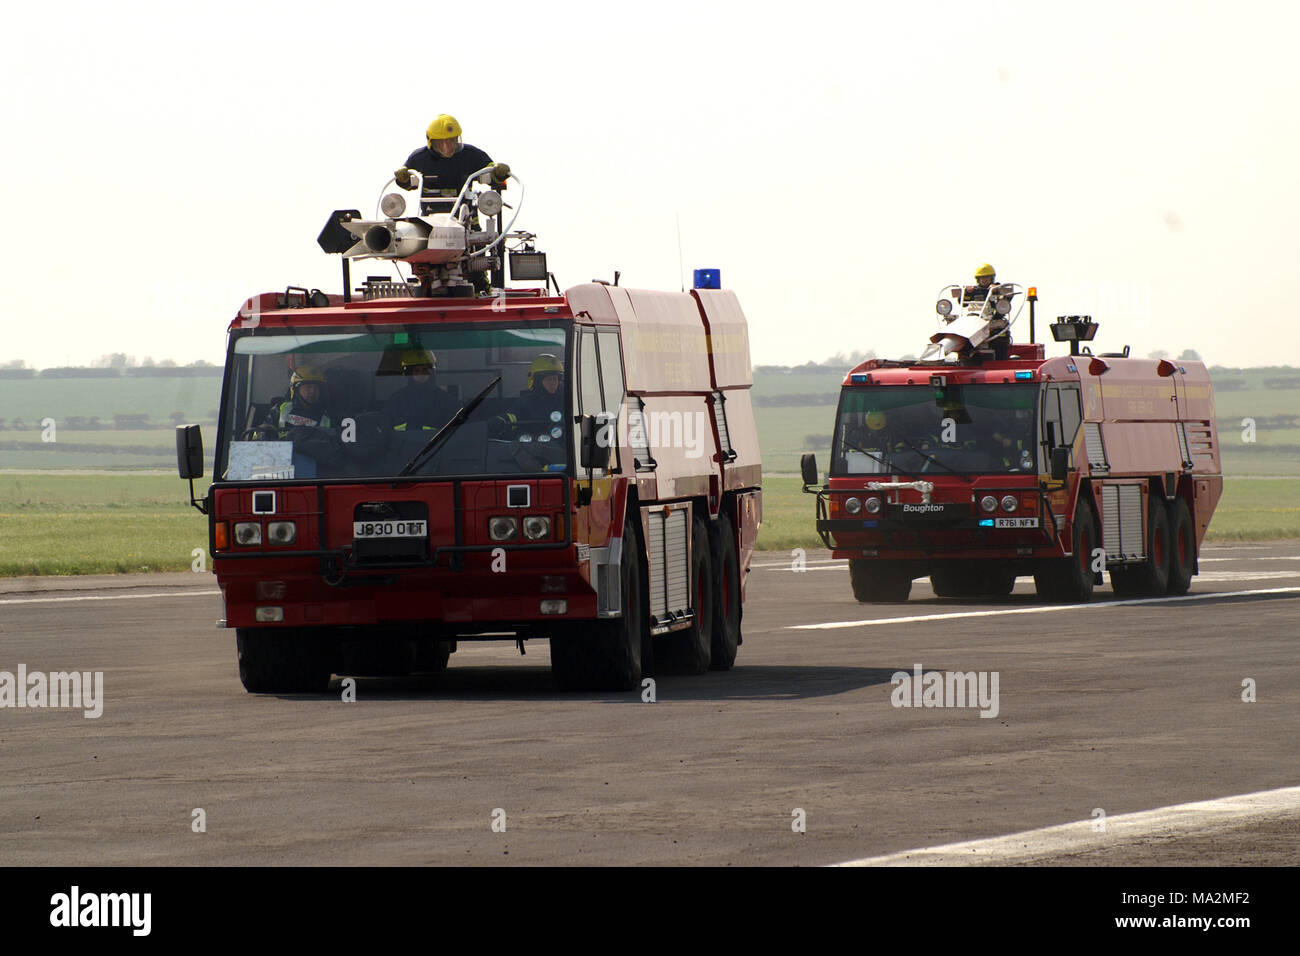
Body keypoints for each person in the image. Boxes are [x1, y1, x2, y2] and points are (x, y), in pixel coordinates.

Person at [394, 114, 511, 215]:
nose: (447, 147)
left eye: (451, 141)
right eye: (441, 142)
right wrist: (402, 178)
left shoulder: (471, 155)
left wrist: (499, 173)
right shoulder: (420, 158)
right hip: (429, 223)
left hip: (467, 222)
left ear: (457, 139)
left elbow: (492, 175)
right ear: (432, 142)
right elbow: (408, 183)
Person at [383, 349, 460, 433]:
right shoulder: (395, 401)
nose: (421, 374)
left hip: (437, 446)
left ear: (432, 372)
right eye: (416, 370)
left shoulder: (447, 401)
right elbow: (386, 431)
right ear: (409, 373)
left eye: (425, 369)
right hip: (402, 445)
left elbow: (455, 433)